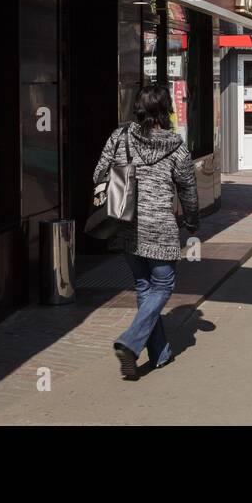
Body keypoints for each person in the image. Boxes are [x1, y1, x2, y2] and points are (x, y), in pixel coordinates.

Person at [94, 85, 199, 381]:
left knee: (144, 286)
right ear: (166, 110)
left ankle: (160, 353)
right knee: (163, 286)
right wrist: (192, 221)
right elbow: (188, 189)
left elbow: (98, 174)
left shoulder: (120, 136)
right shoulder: (176, 146)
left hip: (126, 223)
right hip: (161, 227)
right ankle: (129, 342)